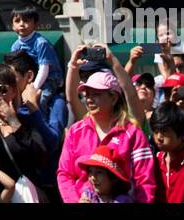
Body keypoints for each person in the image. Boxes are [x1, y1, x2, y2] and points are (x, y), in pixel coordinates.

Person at [58, 62, 156, 202]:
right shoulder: (75, 131)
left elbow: (145, 182)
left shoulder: (133, 133)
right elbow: (65, 174)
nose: (89, 100)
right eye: (87, 95)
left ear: (114, 98)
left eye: (96, 94)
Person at [5, 49, 65, 200]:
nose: (6, 84)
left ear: (29, 76)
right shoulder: (2, 105)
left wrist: (33, 109)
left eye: (12, 78)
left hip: (46, 189)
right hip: (12, 187)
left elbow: (52, 143)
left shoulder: (54, 102)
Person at [9, 9, 61, 110]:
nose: (22, 24)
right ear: (12, 25)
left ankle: (42, 121)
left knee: (40, 98)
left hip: (49, 79)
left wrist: (34, 88)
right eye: (17, 21)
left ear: (35, 24)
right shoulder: (15, 46)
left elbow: (44, 70)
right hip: (29, 79)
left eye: (26, 21)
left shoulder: (41, 43)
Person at [149, 102, 184, 203]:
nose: (159, 137)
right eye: (156, 131)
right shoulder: (156, 161)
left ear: (182, 133)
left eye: (165, 131)